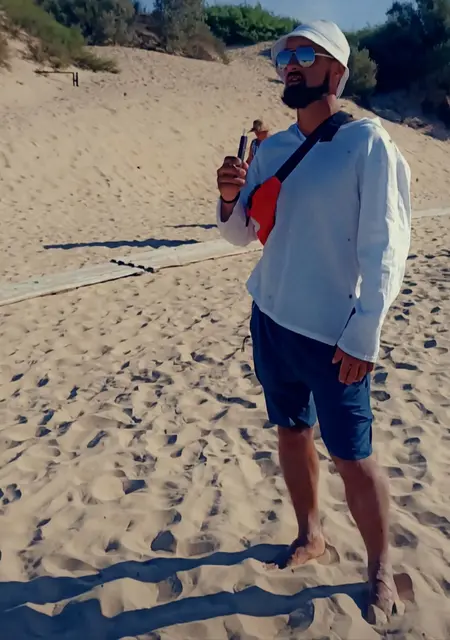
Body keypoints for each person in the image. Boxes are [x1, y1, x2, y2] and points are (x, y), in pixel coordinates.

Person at [215, 20, 411, 621]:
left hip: (335, 334)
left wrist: (365, 333)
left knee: (353, 455)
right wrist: (228, 198)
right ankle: (311, 534)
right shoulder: (273, 149)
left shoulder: (368, 145)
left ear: (337, 71)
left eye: (306, 53)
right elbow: (240, 235)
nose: (292, 64)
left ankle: (380, 569)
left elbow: (388, 245)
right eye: (284, 57)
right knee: (292, 430)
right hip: (271, 316)